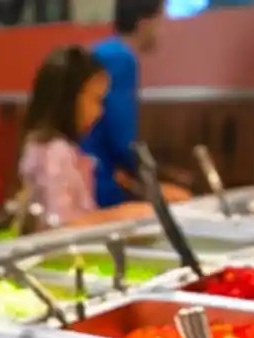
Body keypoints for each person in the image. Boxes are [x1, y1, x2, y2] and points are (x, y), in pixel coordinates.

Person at [16, 46, 152, 230]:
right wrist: (120, 215)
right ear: (69, 99)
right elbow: (59, 225)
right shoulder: (55, 152)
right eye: (96, 100)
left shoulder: (52, 147)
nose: (100, 112)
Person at [80, 0, 191, 209]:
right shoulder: (121, 58)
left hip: (86, 173)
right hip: (100, 181)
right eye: (160, 20)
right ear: (145, 23)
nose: (162, 30)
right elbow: (122, 139)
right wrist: (155, 181)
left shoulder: (102, 51)